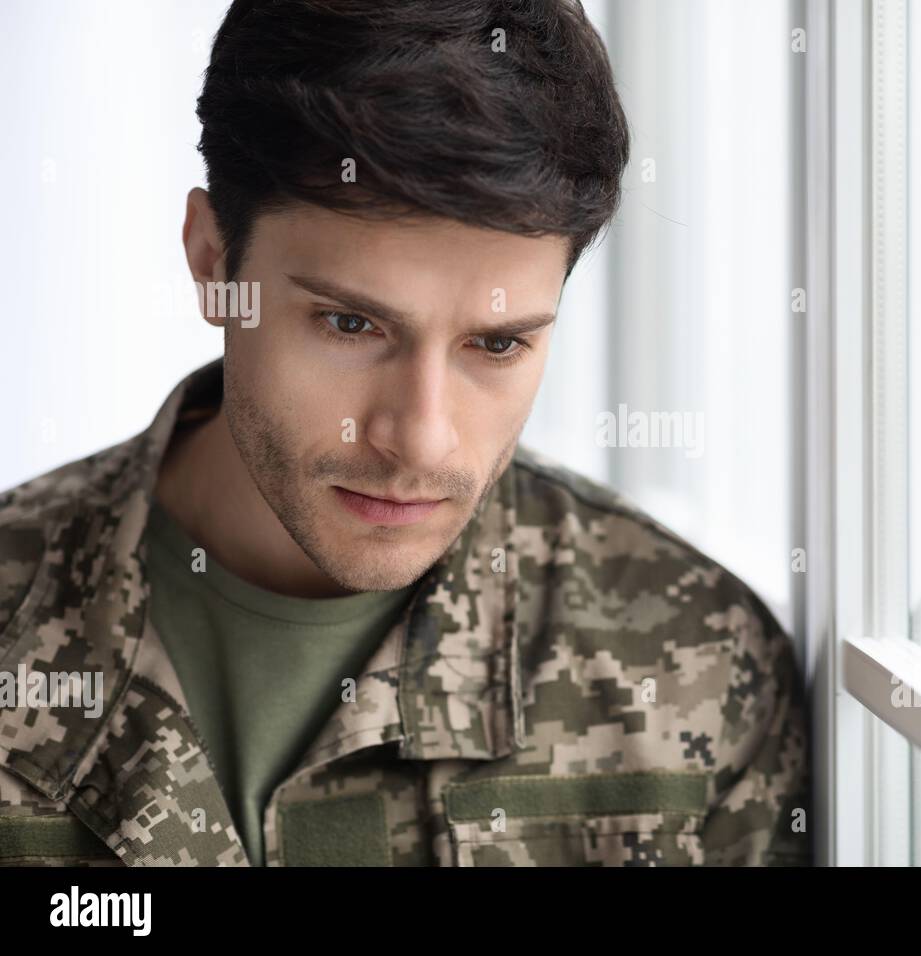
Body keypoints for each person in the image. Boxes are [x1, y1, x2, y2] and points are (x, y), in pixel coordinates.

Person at [0, 0, 811, 867]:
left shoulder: (701, 670)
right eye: (351, 326)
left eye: (497, 344)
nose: (423, 442)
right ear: (211, 261)